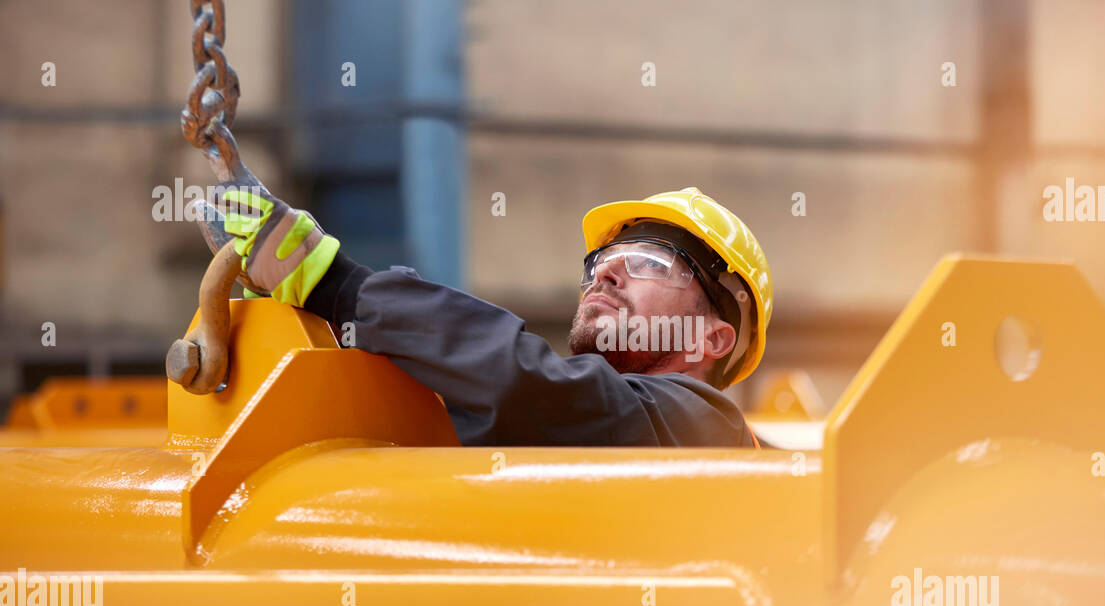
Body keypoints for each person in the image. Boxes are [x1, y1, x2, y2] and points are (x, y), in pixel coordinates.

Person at [195, 174, 772, 448]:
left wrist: (330, 282)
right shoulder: (595, 430)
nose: (605, 272)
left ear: (713, 340)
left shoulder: (707, 425)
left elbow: (528, 384)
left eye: (651, 261)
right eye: (600, 260)